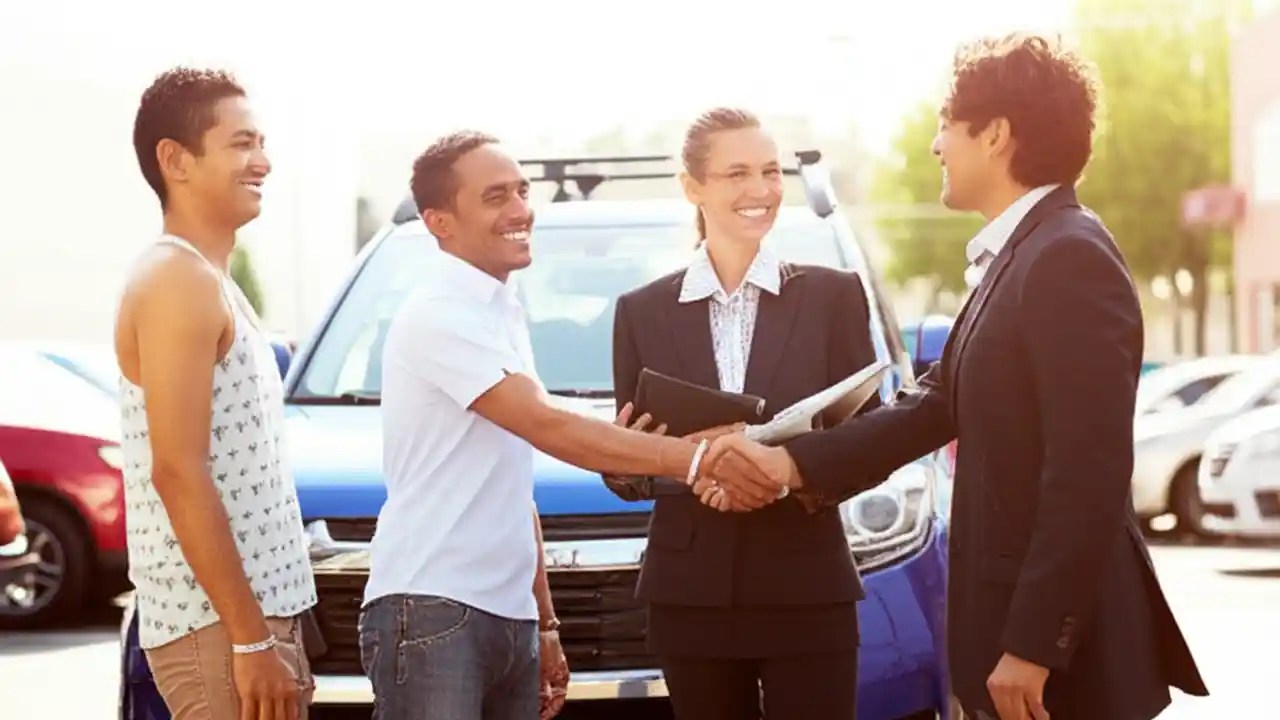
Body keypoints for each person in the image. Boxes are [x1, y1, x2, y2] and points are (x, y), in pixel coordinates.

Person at [698, 34, 1210, 720]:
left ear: (995, 135)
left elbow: (1087, 473)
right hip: (1012, 646)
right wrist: (786, 461)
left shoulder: (1067, 258)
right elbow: (933, 406)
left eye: (947, 126)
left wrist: (1034, 645)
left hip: (1059, 664)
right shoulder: (1020, 256)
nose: (938, 145)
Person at [359, 131, 745, 720]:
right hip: (433, 608)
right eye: (495, 197)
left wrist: (543, 623)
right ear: (439, 222)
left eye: (521, 190)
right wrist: (690, 459)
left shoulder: (500, 310)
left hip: (503, 613)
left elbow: (513, 486)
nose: (520, 210)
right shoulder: (439, 313)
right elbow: (547, 425)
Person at [600, 108, 888, 720]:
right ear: (692, 187)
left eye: (768, 171)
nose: (759, 190)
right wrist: (665, 465)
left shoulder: (833, 296)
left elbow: (872, 440)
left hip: (806, 586)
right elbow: (626, 464)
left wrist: (782, 471)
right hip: (690, 595)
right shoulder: (641, 311)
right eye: (736, 174)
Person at [115, 67, 317, 720]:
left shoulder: (208, 279)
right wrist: (251, 634)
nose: (262, 161)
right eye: (240, 143)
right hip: (219, 633)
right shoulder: (177, 278)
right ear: (174, 159)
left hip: (246, 627)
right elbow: (178, 471)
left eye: (260, 142)